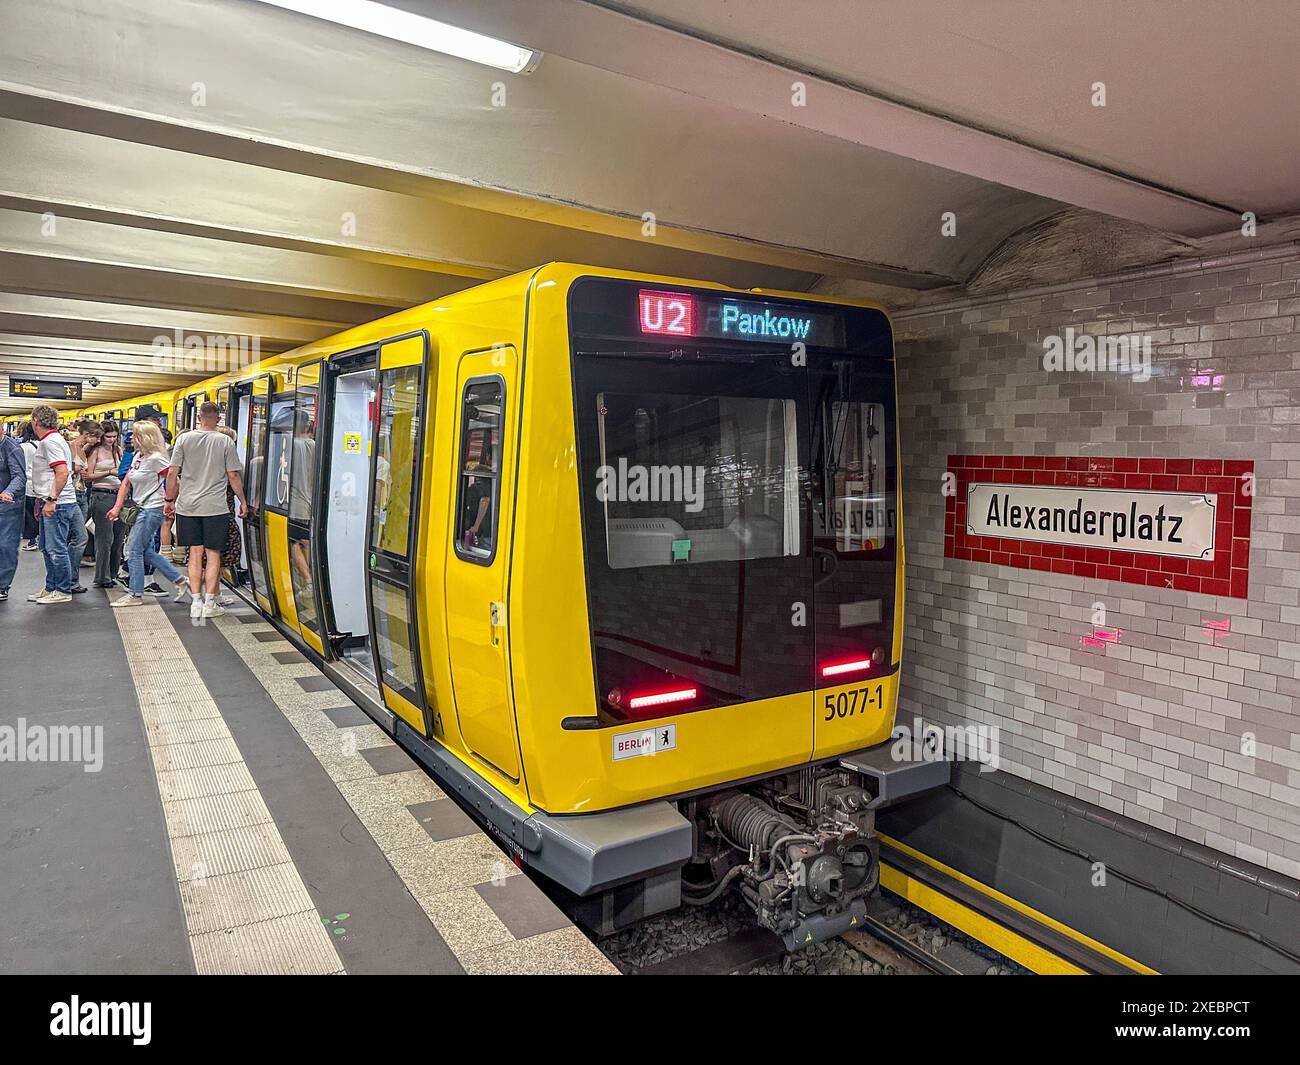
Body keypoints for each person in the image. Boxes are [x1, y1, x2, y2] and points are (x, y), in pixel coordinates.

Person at [166, 401, 247, 619]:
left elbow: (172, 472)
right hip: (215, 507)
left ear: (198, 417)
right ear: (218, 419)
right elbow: (233, 475)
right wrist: (242, 501)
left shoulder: (184, 439)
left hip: (187, 506)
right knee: (213, 555)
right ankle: (210, 603)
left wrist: (169, 500)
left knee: (195, 553)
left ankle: (196, 602)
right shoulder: (225, 441)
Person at [106, 421, 187, 608]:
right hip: (142, 507)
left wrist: (169, 501)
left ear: (144, 438)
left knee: (133, 550)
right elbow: (126, 482)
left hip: (152, 509)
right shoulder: (139, 456)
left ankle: (135, 594)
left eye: (135, 436)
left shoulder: (156, 459)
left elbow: (174, 480)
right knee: (146, 551)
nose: (131, 439)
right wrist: (117, 507)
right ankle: (180, 580)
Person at [27, 404, 79, 605]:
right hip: (53, 501)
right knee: (47, 547)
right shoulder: (54, 440)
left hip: (58, 503)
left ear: (36, 422)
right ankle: (51, 587)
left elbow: (62, 473)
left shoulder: (50, 442)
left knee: (56, 548)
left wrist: (51, 500)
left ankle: (63, 589)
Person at [84, 420, 126, 589]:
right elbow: (88, 476)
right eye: (108, 437)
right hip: (102, 496)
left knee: (118, 537)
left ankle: (113, 573)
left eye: (114, 437)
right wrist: (109, 472)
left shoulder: (118, 450)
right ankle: (102, 576)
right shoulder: (95, 451)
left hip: (119, 496)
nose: (111, 440)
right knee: (104, 538)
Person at [0, 428, 26, 602]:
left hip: (8, 505)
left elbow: (19, 477)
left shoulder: (12, 448)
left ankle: (2, 586)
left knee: (6, 545)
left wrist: (8, 492)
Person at [20, 422, 38, 551]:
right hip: (42, 485)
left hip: (27, 484)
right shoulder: (44, 445)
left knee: (30, 515)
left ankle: (32, 540)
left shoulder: (23, 447)